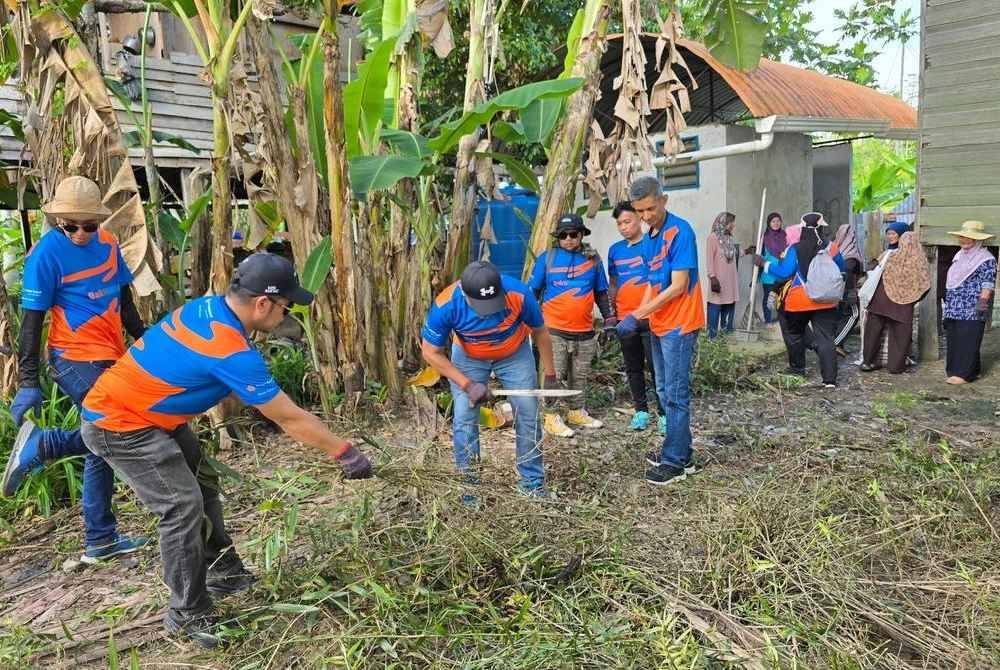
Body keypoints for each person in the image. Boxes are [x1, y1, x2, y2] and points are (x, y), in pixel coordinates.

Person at [79, 253, 374, 648]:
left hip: (147, 415)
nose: (285, 316)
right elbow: (289, 418)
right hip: (121, 425)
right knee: (182, 506)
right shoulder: (230, 348)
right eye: (286, 307)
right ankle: (187, 613)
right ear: (262, 304)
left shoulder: (208, 306)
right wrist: (345, 453)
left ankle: (224, 571)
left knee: (203, 485)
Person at [2, 176, 149, 563]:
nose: (81, 234)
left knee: (102, 443)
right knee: (113, 428)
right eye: (72, 226)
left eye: (90, 225)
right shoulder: (46, 255)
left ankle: (100, 540)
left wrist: (146, 342)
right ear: (58, 222)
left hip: (110, 355)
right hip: (72, 359)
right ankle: (45, 444)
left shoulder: (109, 244)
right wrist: (29, 381)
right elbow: (31, 322)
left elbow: (124, 300)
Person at [421, 260, 554, 496]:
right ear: (464, 292)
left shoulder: (519, 294)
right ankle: (469, 488)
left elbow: (541, 332)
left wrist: (550, 373)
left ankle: (532, 484)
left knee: (528, 413)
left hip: (515, 354)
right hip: (469, 357)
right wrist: (467, 384)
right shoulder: (446, 304)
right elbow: (430, 352)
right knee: (464, 417)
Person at [617, 176, 705, 485]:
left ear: (663, 201)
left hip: (680, 325)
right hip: (659, 324)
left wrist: (640, 313)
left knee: (677, 395)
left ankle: (674, 463)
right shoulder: (651, 236)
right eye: (640, 212)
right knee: (665, 392)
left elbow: (679, 286)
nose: (645, 217)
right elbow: (652, 284)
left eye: (650, 209)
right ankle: (683, 453)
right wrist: (636, 317)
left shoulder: (679, 232)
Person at [528, 214, 614, 438]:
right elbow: (533, 293)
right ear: (557, 237)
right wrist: (529, 323)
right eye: (563, 235)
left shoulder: (593, 260)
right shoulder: (546, 259)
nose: (568, 239)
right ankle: (550, 416)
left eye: (573, 234)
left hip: (584, 331)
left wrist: (610, 320)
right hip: (553, 329)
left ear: (582, 235)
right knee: (553, 373)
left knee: (580, 375)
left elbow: (601, 294)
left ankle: (576, 411)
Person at [754, 212, 845, 388]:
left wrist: (764, 264)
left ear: (802, 228)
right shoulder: (832, 248)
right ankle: (829, 380)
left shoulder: (794, 249)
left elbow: (785, 272)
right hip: (827, 300)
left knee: (794, 333)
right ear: (822, 227)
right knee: (826, 338)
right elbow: (841, 271)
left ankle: (797, 369)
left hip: (799, 301)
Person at [607, 201, 664, 432]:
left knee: (657, 367)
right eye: (619, 223)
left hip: (652, 318)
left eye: (627, 221)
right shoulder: (615, 250)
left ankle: (663, 414)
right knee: (633, 368)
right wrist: (612, 315)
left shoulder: (653, 244)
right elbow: (613, 284)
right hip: (625, 320)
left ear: (639, 219)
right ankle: (641, 411)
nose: (623, 227)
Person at [860, 228, 930, 373]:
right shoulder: (920, 261)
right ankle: (895, 367)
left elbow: (876, 271)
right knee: (901, 334)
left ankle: (867, 362)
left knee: (872, 331)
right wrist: (912, 299)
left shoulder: (889, 255)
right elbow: (925, 285)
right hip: (903, 304)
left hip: (880, 299)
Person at [942, 221, 996, 385]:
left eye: (968, 238)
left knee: (969, 338)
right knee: (955, 338)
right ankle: (969, 370)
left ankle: (964, 374)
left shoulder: (986, 259)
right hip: (954, 306)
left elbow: (987, 283)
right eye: (962, 237)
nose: (963, 240)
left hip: (971, 306)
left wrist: (982, 302)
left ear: (977, 240)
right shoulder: (959, 255)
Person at [705, 211, 753, 338]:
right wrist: (712, 277)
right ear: (724, 223)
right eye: (731, 222)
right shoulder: (712, 238)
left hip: (730, 279)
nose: (733, 225)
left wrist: (748, 251)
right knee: (715, 304)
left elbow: (735, 253)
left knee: (729, 303)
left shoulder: (729, 238)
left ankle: (727, 331)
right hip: (718, 279)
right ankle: (712, 336)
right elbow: (709, 259)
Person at [833, 222, 865, 356]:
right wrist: (852, 291)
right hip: (847, 292)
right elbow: (850, 274)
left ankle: (837, 344)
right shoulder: (851, 256)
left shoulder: (834, 252)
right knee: (854, 315)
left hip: (834, 292)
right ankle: (834, 344)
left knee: (839, 317)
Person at [759, 212, 787, 324]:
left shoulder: (785, 236)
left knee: (782, 297)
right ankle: (768, 321)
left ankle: (781, 321)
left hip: (783, 272)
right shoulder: (764, 237)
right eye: (773, 221)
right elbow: (760, 255)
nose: (776, 223)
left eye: (778, 221)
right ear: (769, 223)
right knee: (768, 297)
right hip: (769, 273)